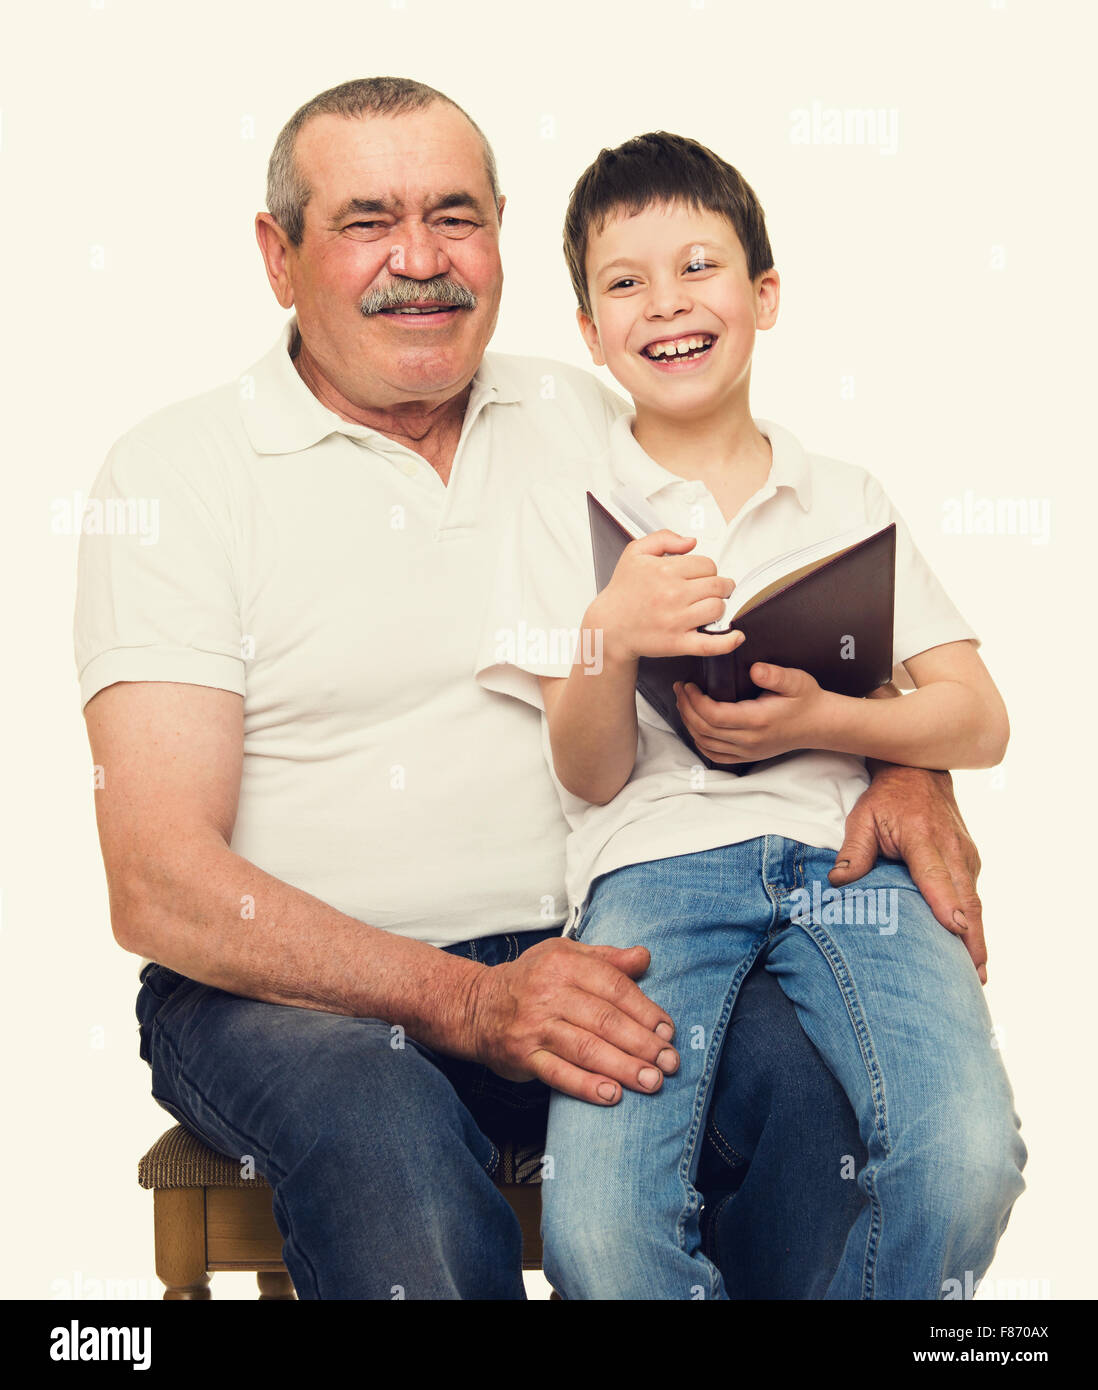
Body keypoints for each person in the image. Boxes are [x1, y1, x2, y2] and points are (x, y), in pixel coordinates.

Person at [75, 78, 995, 1300]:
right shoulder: (177, 473)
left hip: (602, 947)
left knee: (828, 1108)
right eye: (366, 221)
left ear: (501, 233)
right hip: (292, 998)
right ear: (277, 255)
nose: (420, 260)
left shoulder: (593, 419)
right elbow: (156, 882)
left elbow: (796, 589)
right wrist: (465, 998)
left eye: (455, 216)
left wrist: (907, 766)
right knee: (392, 1157)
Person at [476, 131, 1027, 1300]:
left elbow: (978, 720)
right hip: (654, 872)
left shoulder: (846, 496)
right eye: (625, 283)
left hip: (851, 859)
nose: (667, 305)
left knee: (964, 1159)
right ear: (588, 331)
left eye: (700, 268)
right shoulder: (563, 505)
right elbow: (585, 772)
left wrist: (826, 715)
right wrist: (613, 633)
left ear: (765, 295)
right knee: (606, 1241)